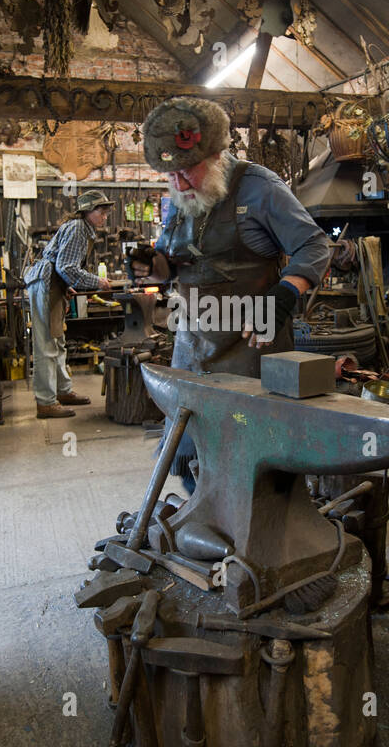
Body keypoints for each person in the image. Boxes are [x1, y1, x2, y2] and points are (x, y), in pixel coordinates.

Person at [133, 96, 331, 487]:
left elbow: (315, 245)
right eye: (169, 175)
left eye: (188, 170)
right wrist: (152, 265)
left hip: (251, 351)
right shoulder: (182, 196)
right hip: (192, 348)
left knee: (253, 464)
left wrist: (284, 297)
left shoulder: (259, 188)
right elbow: (178, 260)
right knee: (194, 460)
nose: (179, 183)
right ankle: (206, 538)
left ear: (218, 154)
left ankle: (257, 540)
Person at [24, 188, 112, 418]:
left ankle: (62, 391)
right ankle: (45, 402)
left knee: (57, 340)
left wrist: (67, 286)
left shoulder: (84, 229)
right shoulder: (77, 229)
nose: (104, 216)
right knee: (45, 344)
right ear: (87, 211)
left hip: (53, 283)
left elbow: (63, 266)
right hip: (45, 282)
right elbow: (66, 267)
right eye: (100, 211)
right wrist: (97, 281)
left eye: (105, 212)